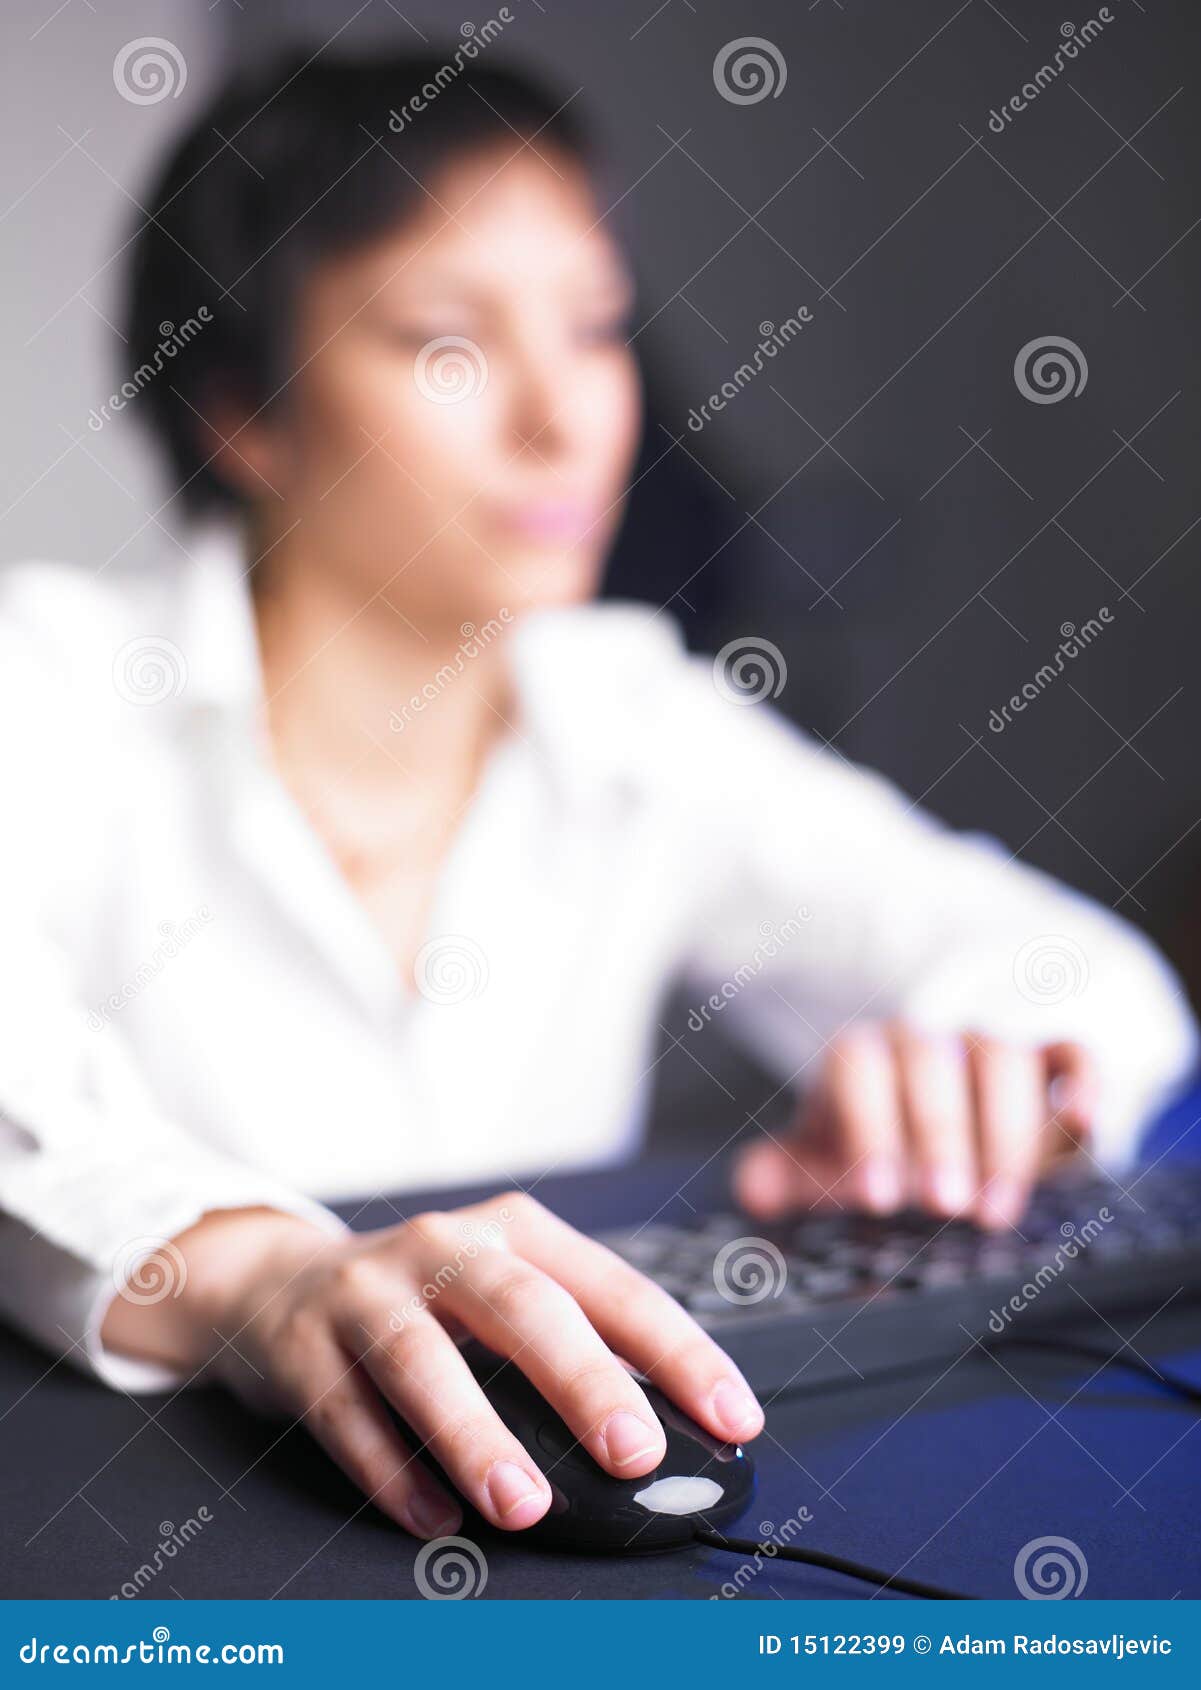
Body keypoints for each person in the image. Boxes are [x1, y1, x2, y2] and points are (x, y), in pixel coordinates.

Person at [0, 53, 1193, 1544]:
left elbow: (1093, 977)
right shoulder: (41, 678)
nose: (567, 419)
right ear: (242, 408)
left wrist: (980, 1069)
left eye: (595, 329)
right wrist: (265, 1275)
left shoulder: (633, 712)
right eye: (449, 345)